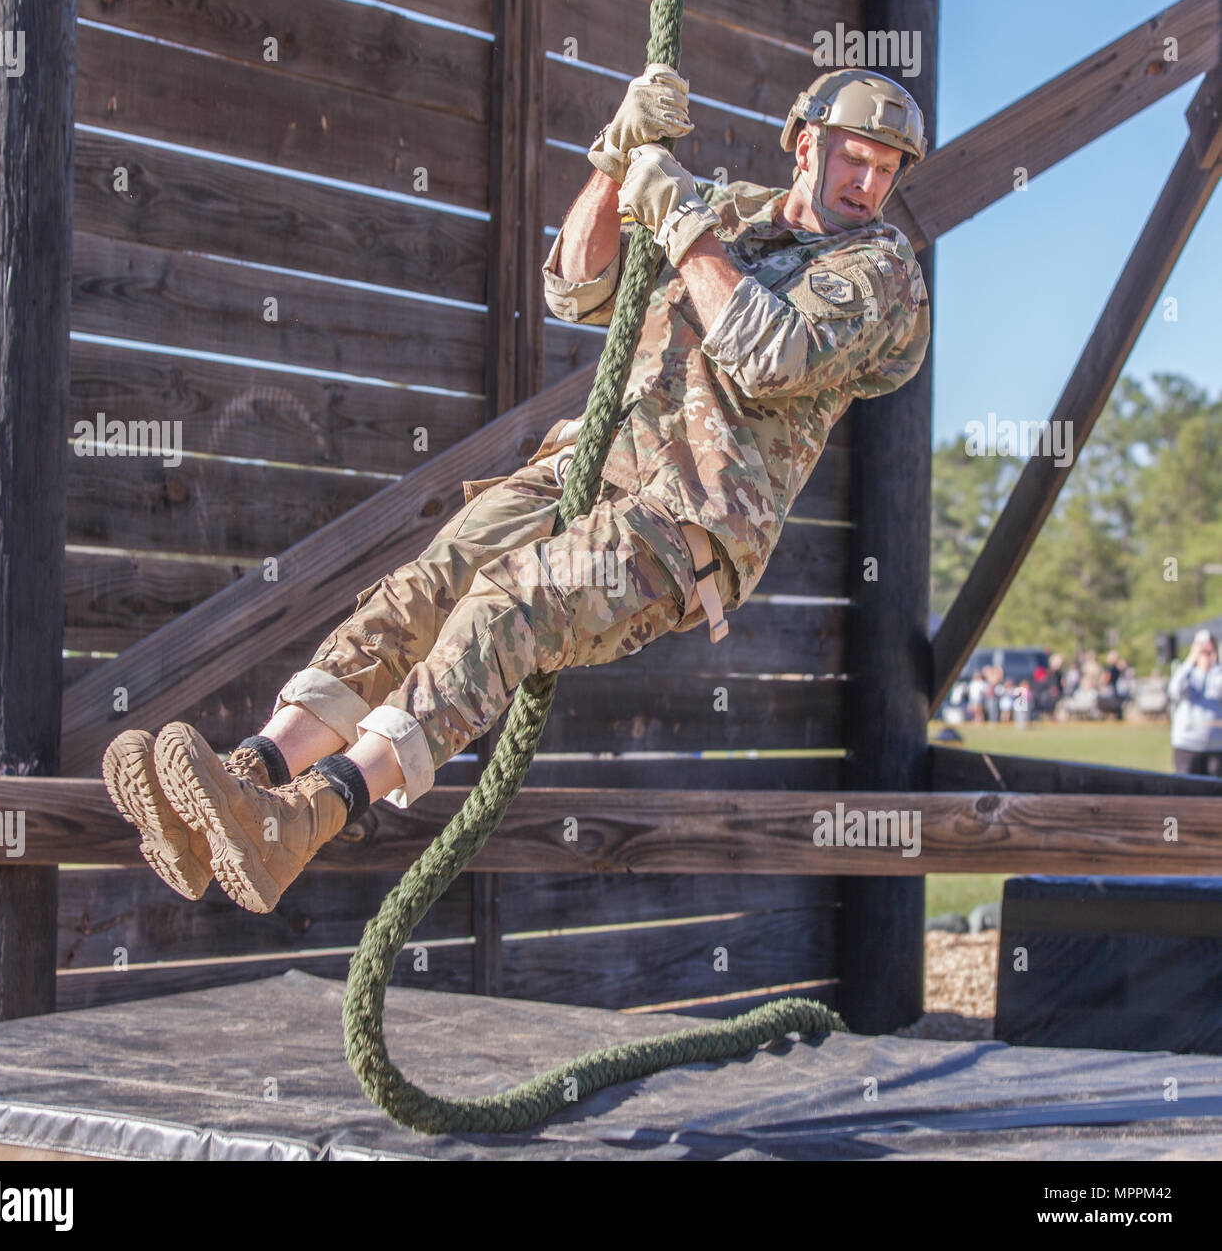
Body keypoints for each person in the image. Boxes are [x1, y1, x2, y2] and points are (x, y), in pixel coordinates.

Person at [103, 65, 931, 914]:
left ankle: (311, 815)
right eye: (854, 158)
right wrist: (615, 161)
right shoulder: (733, 212)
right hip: (582, 467)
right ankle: (248, 783)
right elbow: (574, 285)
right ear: (806, 145)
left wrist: (680, 216)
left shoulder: (881, 271)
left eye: (886, 169)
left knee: (509, 604)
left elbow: (771, 353)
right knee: (423, 588)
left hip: (686, 520)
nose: (868, 183)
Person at [1167, 629, 1222, 775]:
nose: (1205, 654)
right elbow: (1174, 689)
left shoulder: (1218, 674)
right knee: (1186, 792)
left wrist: (1214, 667)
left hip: (1216, 746)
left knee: (1214, 793)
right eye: (1202, 651)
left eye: (1208, 651)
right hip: (1187, 744)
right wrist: (1191, 659)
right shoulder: (1186, 672)